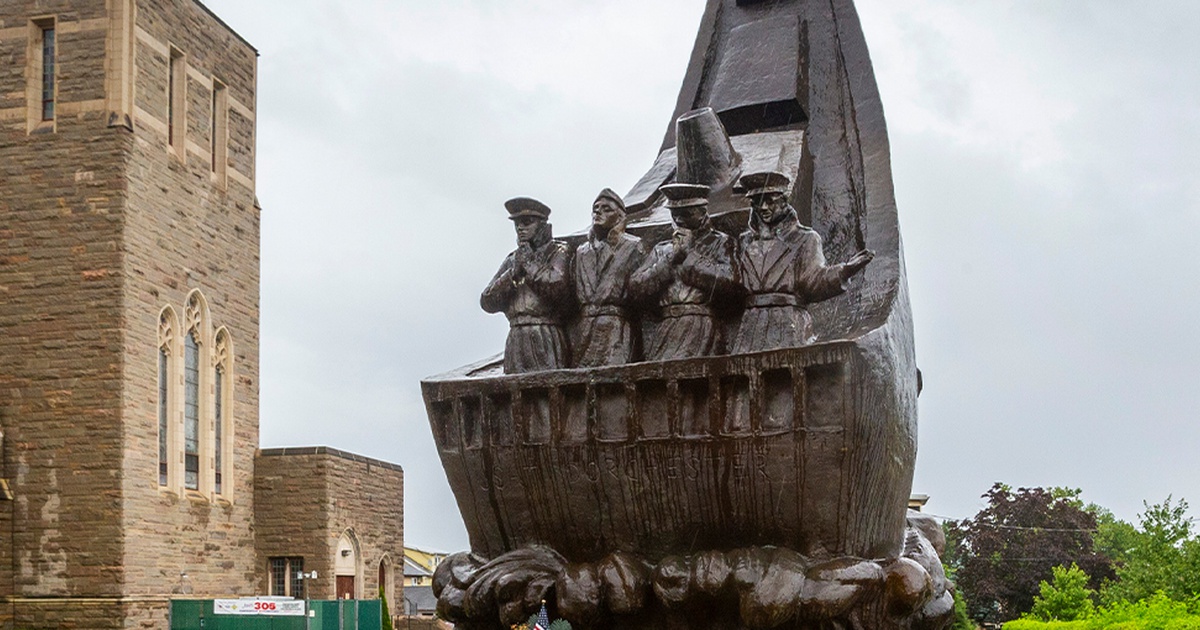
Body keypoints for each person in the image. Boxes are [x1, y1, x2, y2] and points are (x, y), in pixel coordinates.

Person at [731, 171, 873, 353]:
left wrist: (844, 271)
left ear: (784, 201)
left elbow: (811, 281)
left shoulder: (805, 238)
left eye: (769, 201)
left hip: (787, 322)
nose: (763, 207)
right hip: (750, 327)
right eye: (757, 202)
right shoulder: (744, 241)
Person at [630, 183, 737, 360]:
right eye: (675, 214)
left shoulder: (721, 243)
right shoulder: (662, 250)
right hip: (667, 327)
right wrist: (670, 261)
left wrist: (690, 256)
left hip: (701, 326)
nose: (679, 220)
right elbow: (636, 287)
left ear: (703, 213)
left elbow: (730, 281)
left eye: (686, 214)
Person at [480, 197, 573, 373]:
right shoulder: (513, 259)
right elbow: (487, 301)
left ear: (542, 226)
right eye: (517, 224)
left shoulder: (558, 252)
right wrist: (511, 275)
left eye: (527, 223)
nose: (521, 228)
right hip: (516, 336)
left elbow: (557, 287)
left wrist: (529, 265)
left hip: (545, 333)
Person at [572, 188, 646, 366]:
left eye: (606, 209)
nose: (598, 212)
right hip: (585, 330)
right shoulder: (582, 251)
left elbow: (641, 293)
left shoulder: (633, 246)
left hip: (616, 329)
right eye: (596, 208)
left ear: (620, 217)